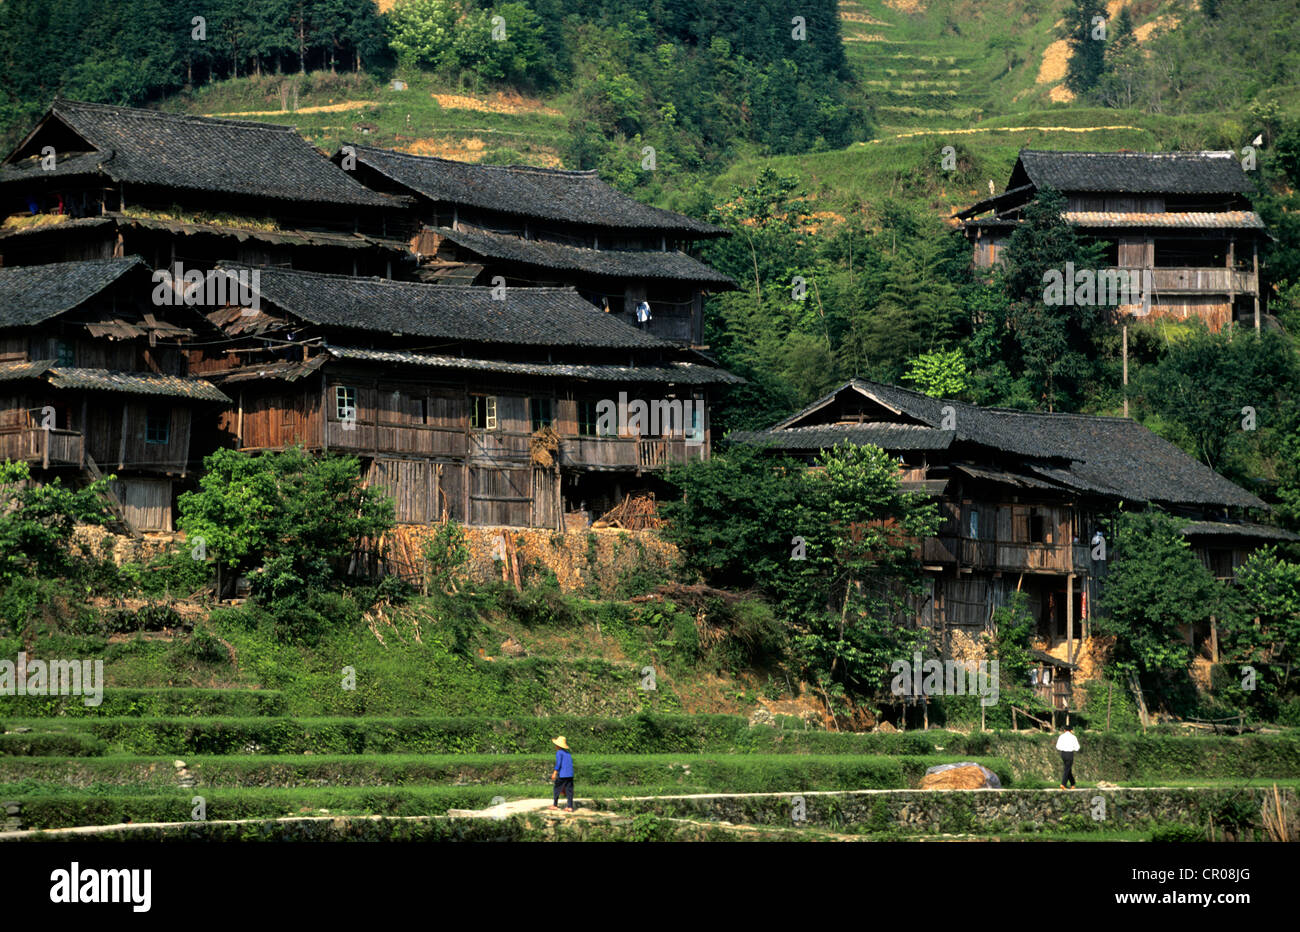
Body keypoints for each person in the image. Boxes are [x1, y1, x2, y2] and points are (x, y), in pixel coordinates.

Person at [550, 736, 575, 811]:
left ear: (558, 745)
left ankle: (555, 805)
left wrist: (554, 773)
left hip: (563, 774)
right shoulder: (568, 753)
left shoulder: (559, 753)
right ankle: (570, 806)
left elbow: (558, 764)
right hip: (570, 775)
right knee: (569, 790)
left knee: (557, 789)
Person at [1056, 724, 1080, 789]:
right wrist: (1073, 748)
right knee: (1067, 769)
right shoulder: (1073, 737)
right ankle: (1063, 784)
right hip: (1070, 754)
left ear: (1064, 730)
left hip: (1063, 754)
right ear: (1071, 730)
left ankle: (1073, 784)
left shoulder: (1061, 736)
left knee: (1068, 768)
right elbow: (1077, 747)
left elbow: (1058, 746)